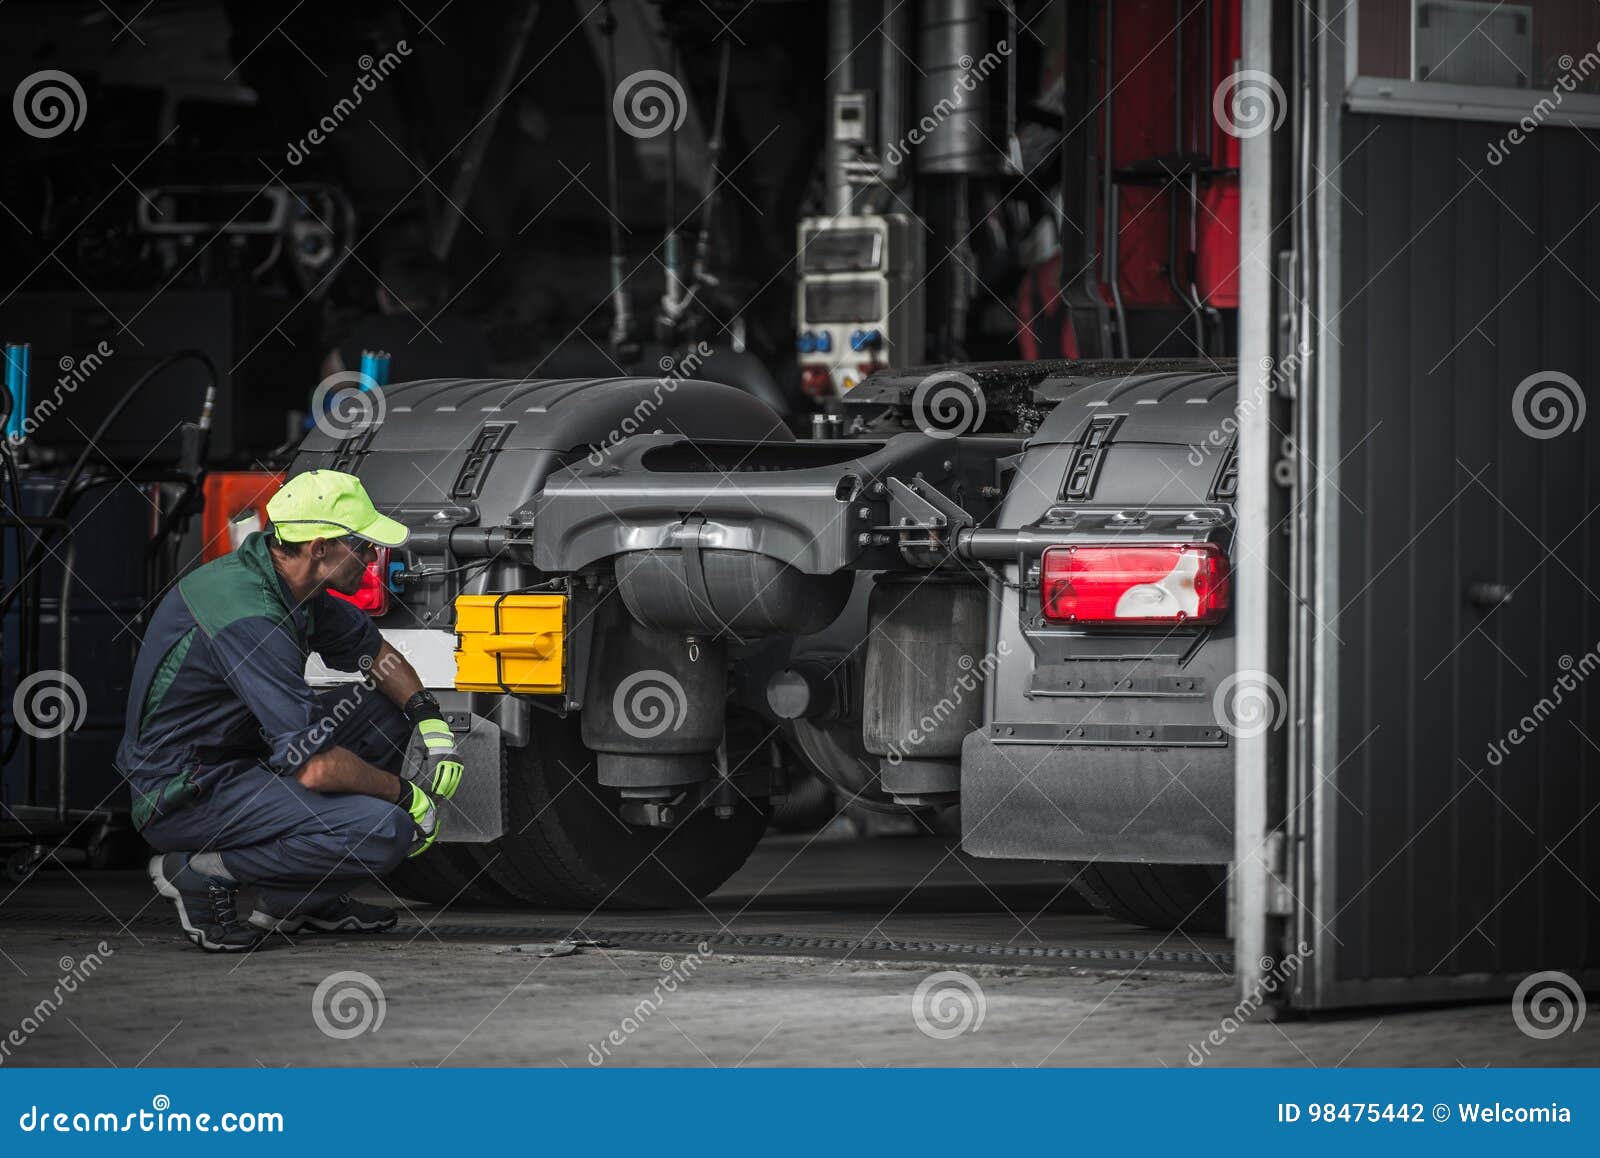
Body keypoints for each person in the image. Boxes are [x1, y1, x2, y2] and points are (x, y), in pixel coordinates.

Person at [116, 470, 467, 953]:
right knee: (383, 830)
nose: (370, 560)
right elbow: (316, 765)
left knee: (384, 714)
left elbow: (376, 655)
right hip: (186, 788)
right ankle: (199, 872)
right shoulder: (249, 615)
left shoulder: (293, 586)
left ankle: (299, 900)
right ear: (319, 547)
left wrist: (429, 717)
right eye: (362, 546)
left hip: (242, 754)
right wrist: (406, 794)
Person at [320, 249, 492, 383]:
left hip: (393, 427)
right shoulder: (470, 334)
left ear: (382, 295)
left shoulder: (374, 331)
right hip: (457, 426)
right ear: (443, 292)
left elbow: (331, 379)